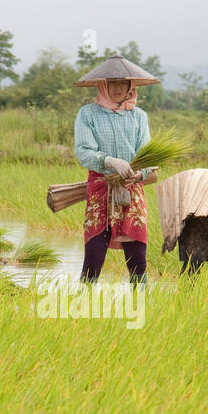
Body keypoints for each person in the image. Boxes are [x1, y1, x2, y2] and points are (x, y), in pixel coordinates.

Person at [72, 55, 161, 285]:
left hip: (132, 189)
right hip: (100, 188)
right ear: (102, 85)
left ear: (131, 86)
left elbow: (148, 155)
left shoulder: (139, 116)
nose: (118, 88)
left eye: (123, 83)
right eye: (112, 83)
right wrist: (111, 161)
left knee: (137, 256)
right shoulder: (88, 114)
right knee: (94, 252)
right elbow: (84, 151)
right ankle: (83, 303)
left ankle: (141, 307)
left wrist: (139, 173)